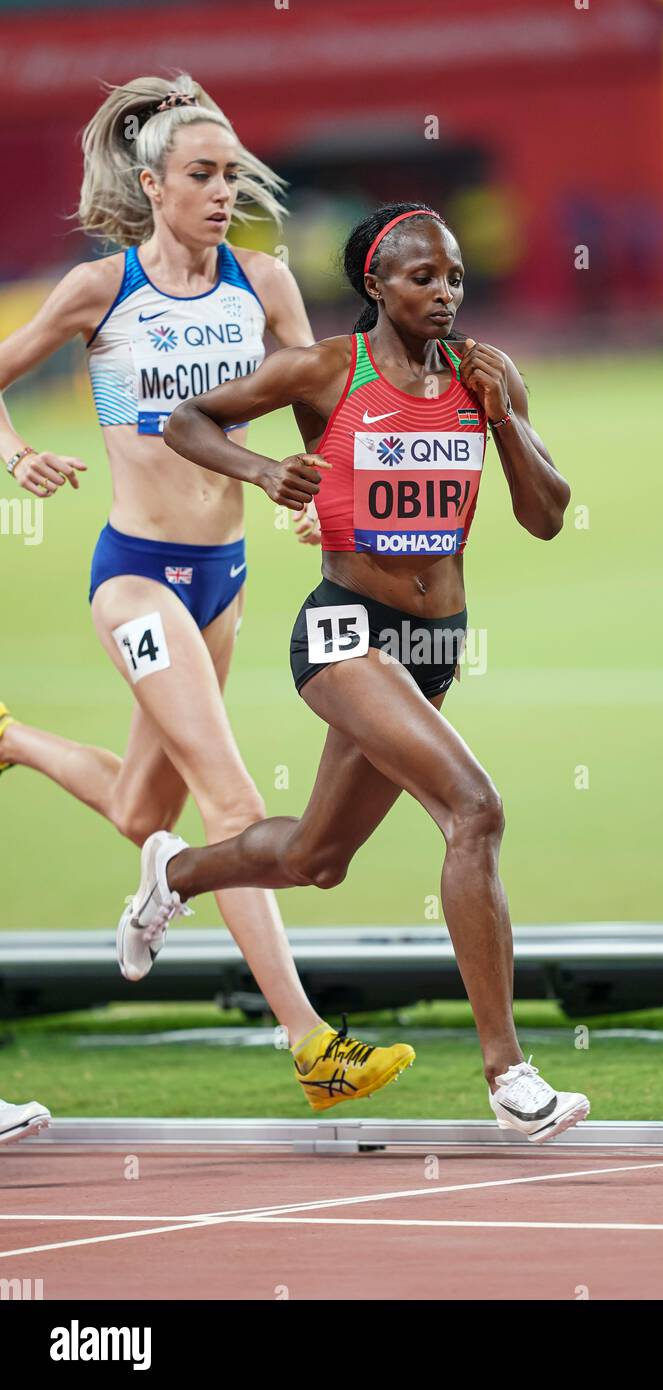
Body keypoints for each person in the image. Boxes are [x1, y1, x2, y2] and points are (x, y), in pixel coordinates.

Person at [123, 202, 591, 1143]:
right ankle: (509, 1074)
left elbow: (546, 515)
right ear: (375, 286)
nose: (445, 293)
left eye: (455, 276)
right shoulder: (328, 371)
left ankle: (174, 872)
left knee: (315, 860)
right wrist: (261, 473)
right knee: (475, 808)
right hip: (345, 627)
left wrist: (505, 426)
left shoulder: (486, 377)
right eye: (423, 277)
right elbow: (185, 419)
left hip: (432, 644)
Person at [0, 77, 412, 1109]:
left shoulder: (264, 281)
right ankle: (313, 1044)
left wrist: (321, 494)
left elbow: (317, 406)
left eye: (233, 173)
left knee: (147, 805)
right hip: (135, 581)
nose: (224, 191)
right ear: (151, 185)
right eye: (202, 175)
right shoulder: (101, 291)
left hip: (221, 582)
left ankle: (10, 739)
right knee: (230, 800)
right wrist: (15, 457)